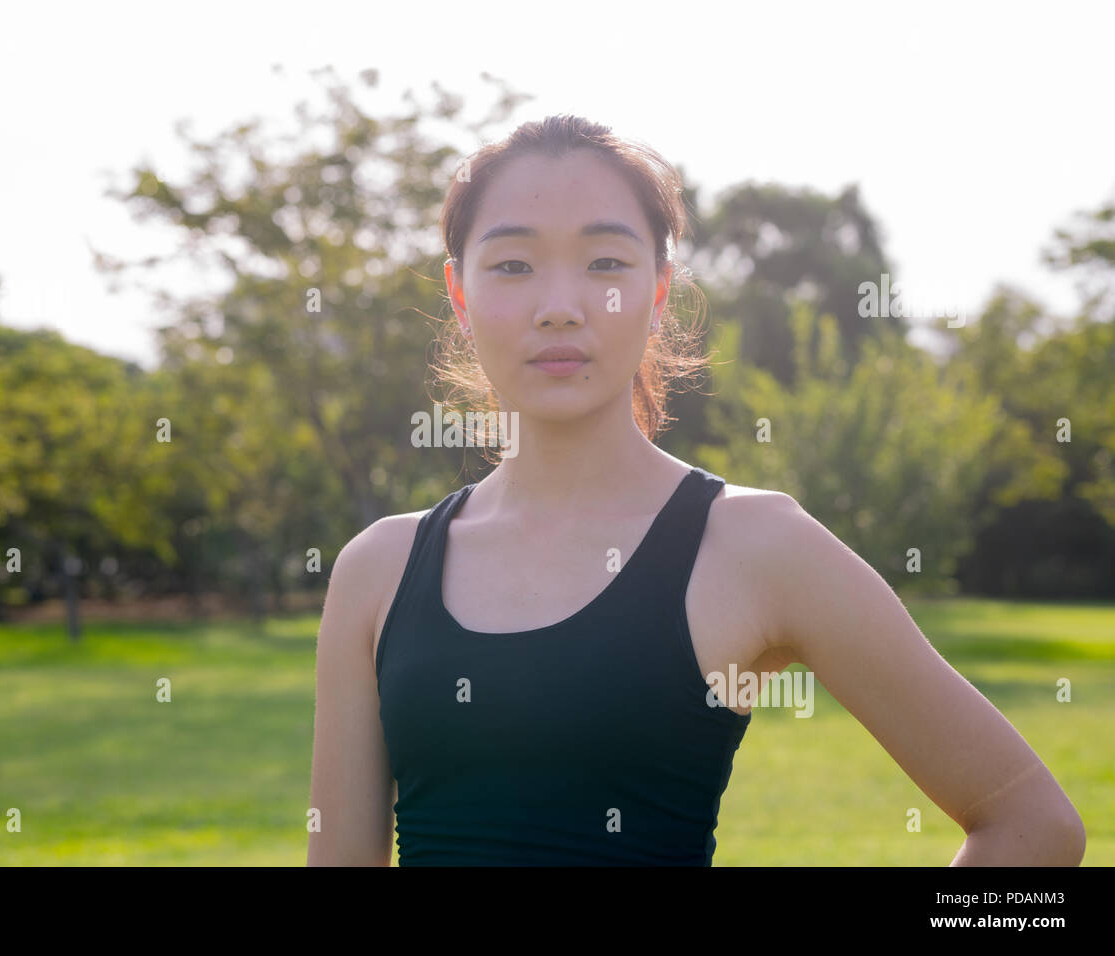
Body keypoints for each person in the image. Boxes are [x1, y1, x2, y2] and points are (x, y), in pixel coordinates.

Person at [306, 114, 1086, 866]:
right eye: (513, 265)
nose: (560, 308)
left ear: (658, 292)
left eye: (605, 263)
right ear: (459, 295)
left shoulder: (759, 546)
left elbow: (1033, 824)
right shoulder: (377, 570)